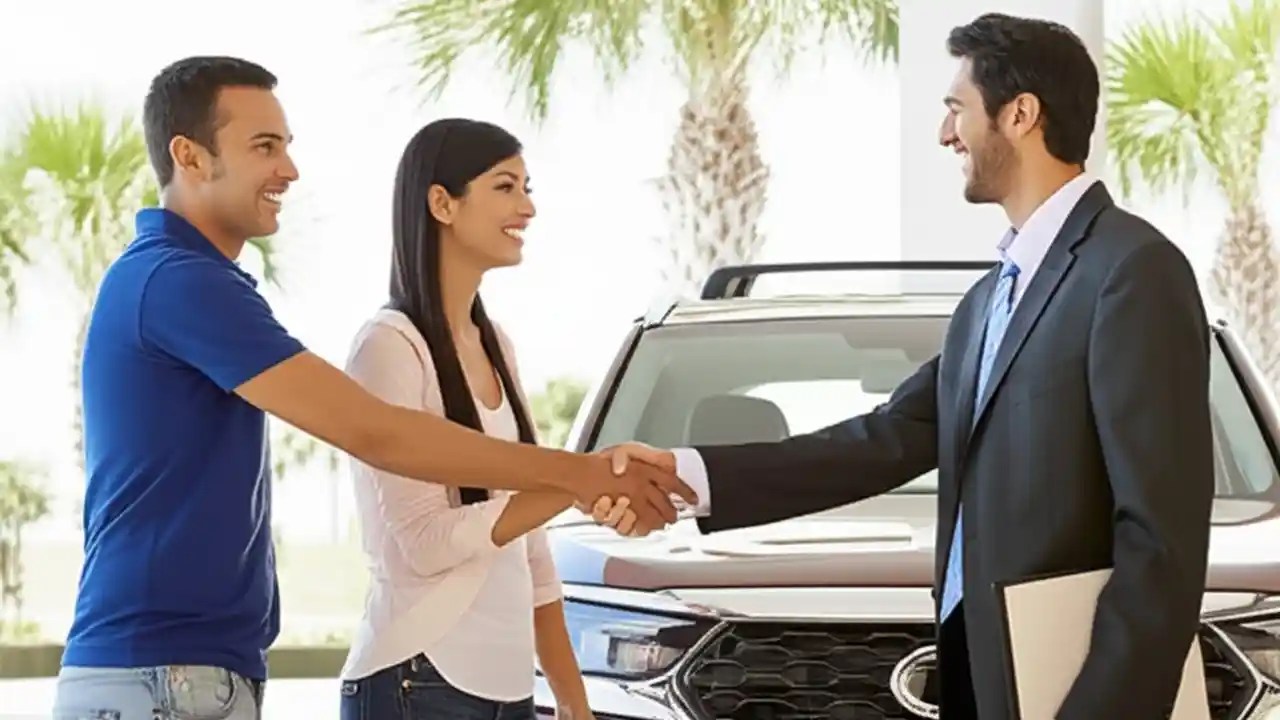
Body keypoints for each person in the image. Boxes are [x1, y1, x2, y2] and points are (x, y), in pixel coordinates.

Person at [602, 13, 1214, 720]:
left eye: (957, 109)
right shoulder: (988, 301)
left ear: (1020, 115)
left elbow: (1160, 542)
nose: (945, 134)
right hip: (980, 676)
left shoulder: (1132, 272)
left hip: (1071, 689)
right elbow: (883, 441)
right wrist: (684, 475)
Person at [52, 56, 690, 720]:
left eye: (288, 146)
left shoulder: (195, 284)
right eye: (264, 146)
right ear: (189, 156)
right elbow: (376, 432)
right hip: (160, 678)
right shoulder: (179, 282)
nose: (289, 170)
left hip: (186, 675)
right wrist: (580, 475)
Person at [336, 118, 607, 720]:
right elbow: (425, 545)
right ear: (442, 203)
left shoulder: (495, 346)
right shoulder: (389, 346)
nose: (528, 207)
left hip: (509, 692)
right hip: (419, 682)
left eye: (528, 187)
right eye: (506, 187)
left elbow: (534, 557)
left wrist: (571, 700)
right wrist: (579, 480)